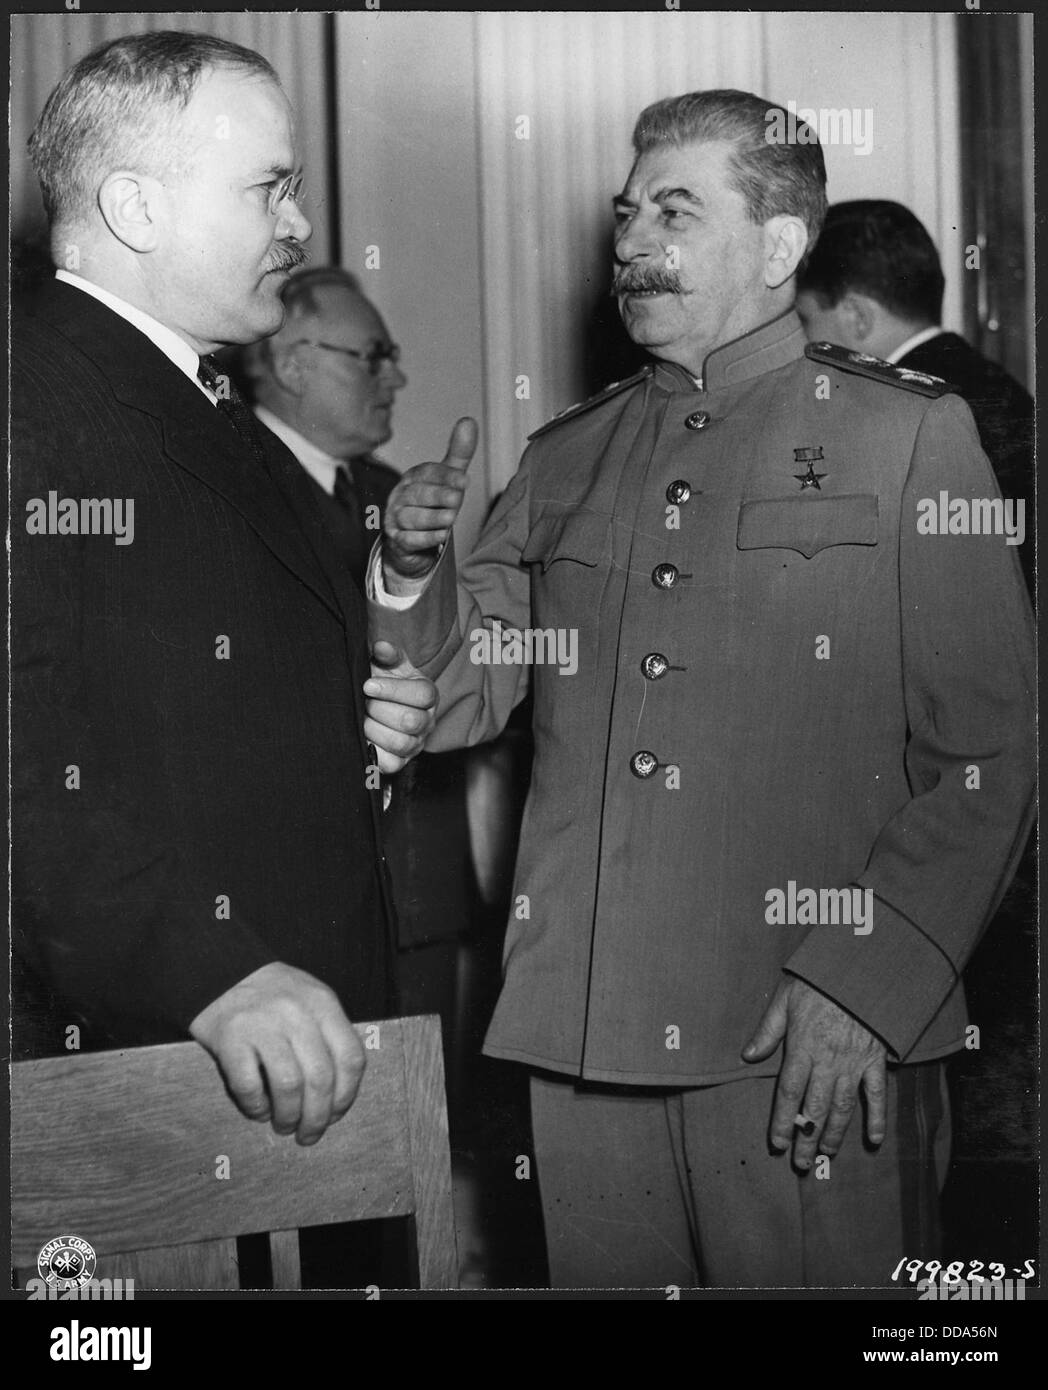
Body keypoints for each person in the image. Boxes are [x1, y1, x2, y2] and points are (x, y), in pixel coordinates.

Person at [368, 89, 1035, 1287]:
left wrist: (865, 986)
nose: (629, 244)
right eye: (627, 214)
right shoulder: (566, 455)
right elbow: (468, 691)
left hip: (804, 1038)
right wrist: (409, 574)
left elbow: (990, 752)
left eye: (675, 212)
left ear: (780, 247)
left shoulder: (907, 443)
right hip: (585, 1039)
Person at [11, 31, 445, 1151]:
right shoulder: (34, 402)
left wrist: (362, 729)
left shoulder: (212, 413)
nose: (299, 223)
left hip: (290, 1056)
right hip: (160, 1066)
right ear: (137, 207)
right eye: (270, 188)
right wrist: (208, 973)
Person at [241, 265, 478, 1066]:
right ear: (292, 362)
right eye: (371, 354)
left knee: (420, 1141)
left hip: (419, 891)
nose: (397, 375)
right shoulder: (225, 486)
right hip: (288, 902)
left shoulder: (395, 493)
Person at [795, 200, 1034, 594]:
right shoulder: (995, 389)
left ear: (858, 316)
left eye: (805, 319)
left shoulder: (899, 415)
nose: (801, 341)